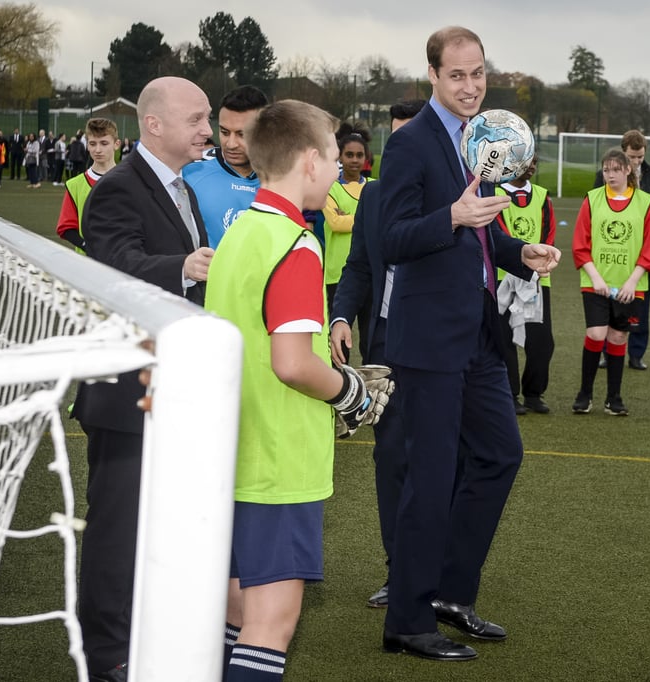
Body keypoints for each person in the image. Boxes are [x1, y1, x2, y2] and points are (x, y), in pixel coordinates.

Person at [378, 25, 561, 661]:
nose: (470, 86)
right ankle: (406, 619)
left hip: (480, 334)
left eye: (478, 73)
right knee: (428, 481)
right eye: (457, 75)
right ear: (432, 75)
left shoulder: (481, 142)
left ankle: (451, 594)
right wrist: (451, 215)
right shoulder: (410, 146)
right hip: (428, 340)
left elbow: (481, 238)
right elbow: (390, 240)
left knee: (499, 454)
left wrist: (521, 253)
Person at [206, 98, 389, 682]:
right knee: (270, 626)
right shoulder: (295, 242)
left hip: (234, 449)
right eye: (335, 156)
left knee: (236, 615)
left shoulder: (240, 232)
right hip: (279, 460)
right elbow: (291, 364)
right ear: (310, 160)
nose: (340, 168)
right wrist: (350, 392)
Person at [73, 76, 214, 682]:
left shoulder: (183, 187)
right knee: (117, 530)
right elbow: (113, 268)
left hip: (173, 387)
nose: (208, 130)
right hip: (126, 392)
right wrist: (182, 266)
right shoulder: (118, 190)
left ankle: (150, 636)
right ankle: (107, 655)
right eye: (199, 119)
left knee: (164, 526)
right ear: (153, 125)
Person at [330, 99, 426, 610]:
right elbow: (360, 267)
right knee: (390, 458)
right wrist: (341, 315)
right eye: (398, 137)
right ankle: (399, 569)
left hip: (441, 354)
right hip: (386, 351)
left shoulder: (455, 198)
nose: (404, 145)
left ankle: (436, 571)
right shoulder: (372, 198)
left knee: (441, 459)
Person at [571, 147, 650, 417]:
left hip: (630, 286)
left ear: (628, 170)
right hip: (595, 282)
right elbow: (580, 244)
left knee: (618, 336)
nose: (610, 174)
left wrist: (632, 282)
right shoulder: (592, 199)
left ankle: (614, 398)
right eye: (606, 169)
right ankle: (584, 395)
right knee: (596, 334)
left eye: (616, 169)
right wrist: (595, 277)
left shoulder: (644, 202)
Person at [592, 130, 650, 370]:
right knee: (608, 302)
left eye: (640, 157)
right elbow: (594, 211)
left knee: (640, 305)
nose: (636, 162)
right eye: (632, 157)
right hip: (612, 252)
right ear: (623, 153)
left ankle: (636, 354)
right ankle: (606, 352)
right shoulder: (602, 176)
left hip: (644, 255)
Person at [496, 153, 556, 414]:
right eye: (526, 162)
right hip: (503, 279)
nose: (531, 167)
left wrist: (541, 261)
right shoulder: (495, 193)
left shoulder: (542, 196)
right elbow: (496, 233)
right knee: (504, 339)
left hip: (537, 279)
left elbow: (549, 232)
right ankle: (509, 394)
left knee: (541, 340)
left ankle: (534, 393)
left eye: (534, 162)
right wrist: (517, 260)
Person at [183, 85, 267, 250]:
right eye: (225, 132)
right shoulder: (190, 172)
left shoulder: (282, 177)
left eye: (242, 134)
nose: (231, 144)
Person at [324, 130, 372, 345]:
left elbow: (386, 223)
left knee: (370, 339)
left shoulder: (374, 187)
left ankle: (373, 380)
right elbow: (335, 222)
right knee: (338, 340)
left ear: (366, 157)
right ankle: (338, 380)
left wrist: (349, 218)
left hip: (370, 271)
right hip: (337, 274)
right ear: (340, 157)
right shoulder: (329, 187)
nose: (354, 160)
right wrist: (369, 219)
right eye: (349, 155)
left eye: (359, 155)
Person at [55, 118, 119, 252]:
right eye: (93, 143)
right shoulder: (75, 185)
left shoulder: (132, 181)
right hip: (87, 266)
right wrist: (87, 247)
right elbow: (66, 227)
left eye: (104, 143)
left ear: (116, 144)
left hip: (124, 266)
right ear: (87, 146)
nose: (98, 149)